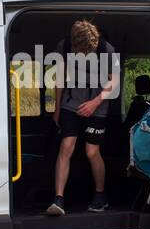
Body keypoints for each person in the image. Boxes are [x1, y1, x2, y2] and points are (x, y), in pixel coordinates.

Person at [47, 20, 119, 215]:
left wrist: (95, 102)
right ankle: (58, 199)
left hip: (98, 105)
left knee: (91, 152)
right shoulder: (65, 46)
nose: (86, 54)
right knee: (66, 146)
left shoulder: (106, 49)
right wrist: (57, 108)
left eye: (89, 51)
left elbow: (114, 82)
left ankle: (100, 195)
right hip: (70, 104)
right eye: (82, 51)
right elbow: (60, 78)